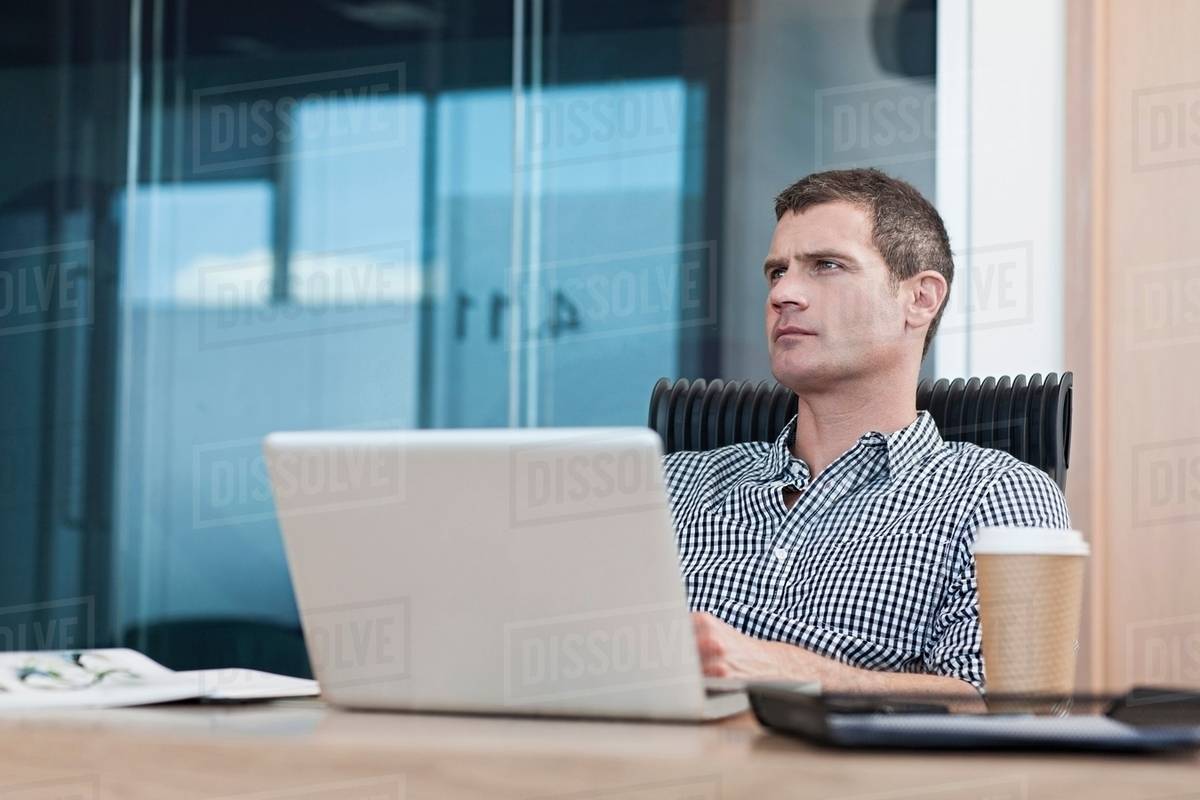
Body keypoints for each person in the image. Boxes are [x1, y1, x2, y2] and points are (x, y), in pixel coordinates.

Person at [664, 168, 1068, 698]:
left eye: (826, 266)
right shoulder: (672, 485)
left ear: (920, 299)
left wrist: (787, 672)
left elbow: (1012, 706)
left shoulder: (999, 497)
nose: (783, 292)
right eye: (776, 272)